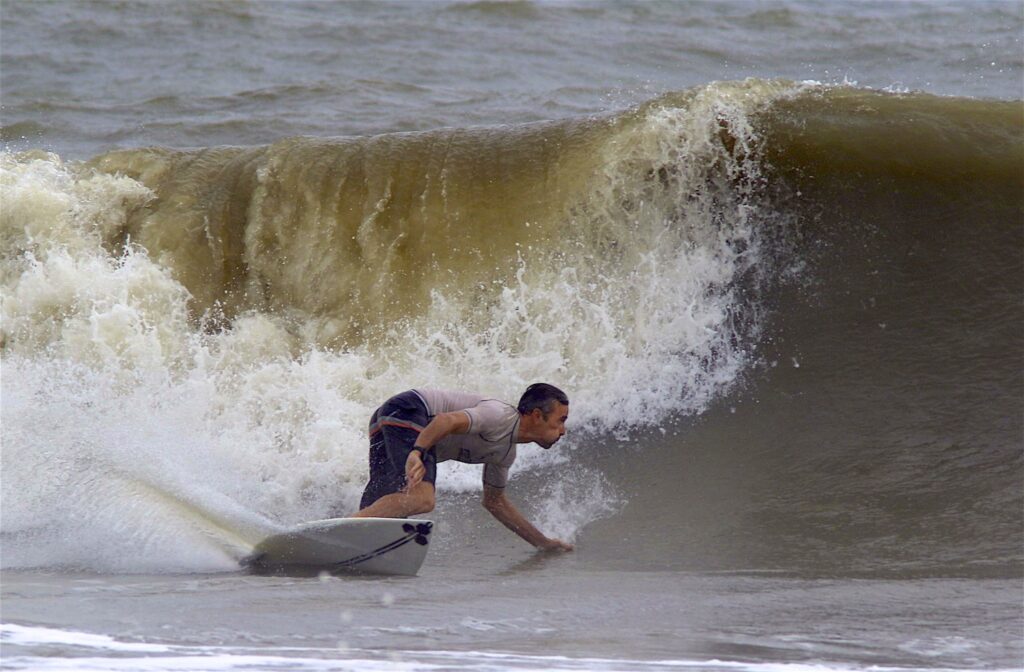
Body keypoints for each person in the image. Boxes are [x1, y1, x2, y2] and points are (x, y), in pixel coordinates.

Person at [353, 383, 574, 552]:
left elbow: (494, 502)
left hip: (389, 418)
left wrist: (543, 543)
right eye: (560, 420)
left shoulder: (505, 453)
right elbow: (445, 421)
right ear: (537, 415)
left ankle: (345, 540)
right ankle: (351, 526)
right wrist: (417, 451)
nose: (563, 431)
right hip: (409, 410)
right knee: (422, 499)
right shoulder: (499, 416)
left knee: (384, 518)